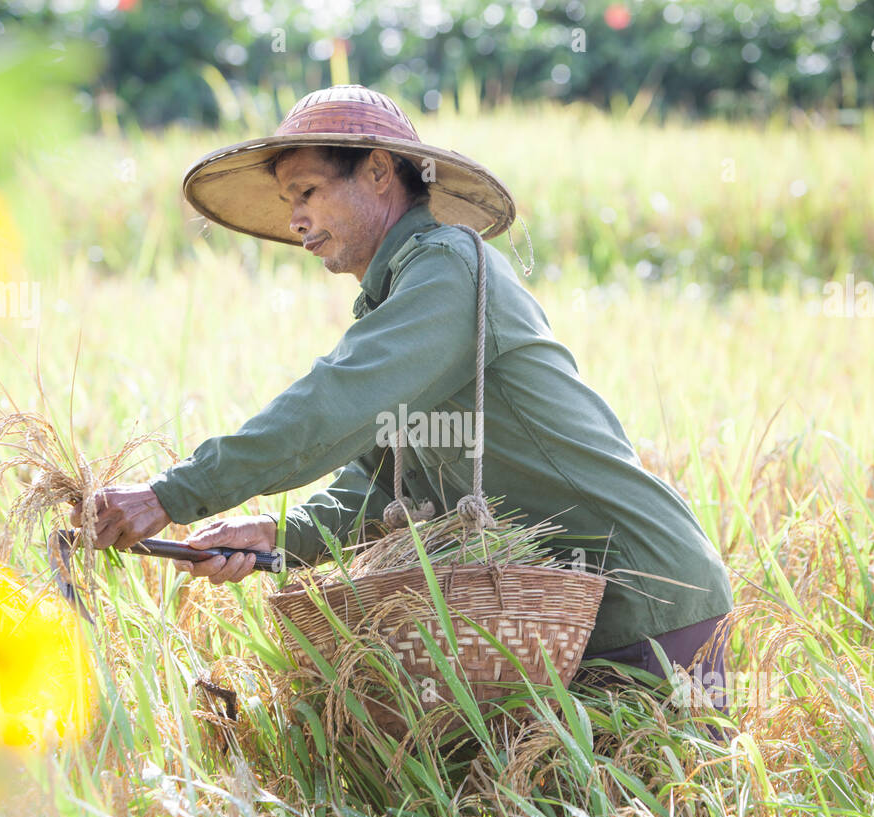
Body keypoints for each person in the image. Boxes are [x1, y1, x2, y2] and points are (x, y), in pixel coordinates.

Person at [71, 85, 735, 732]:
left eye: (307, 192)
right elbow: (380, 483)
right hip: (548, 616)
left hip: (647, 602)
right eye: (286, 202)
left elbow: (333, 405)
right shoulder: (401, 293)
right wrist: (275, 537)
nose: (295, 218)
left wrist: (172, 493)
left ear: (380, 172)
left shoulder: (449, 269)